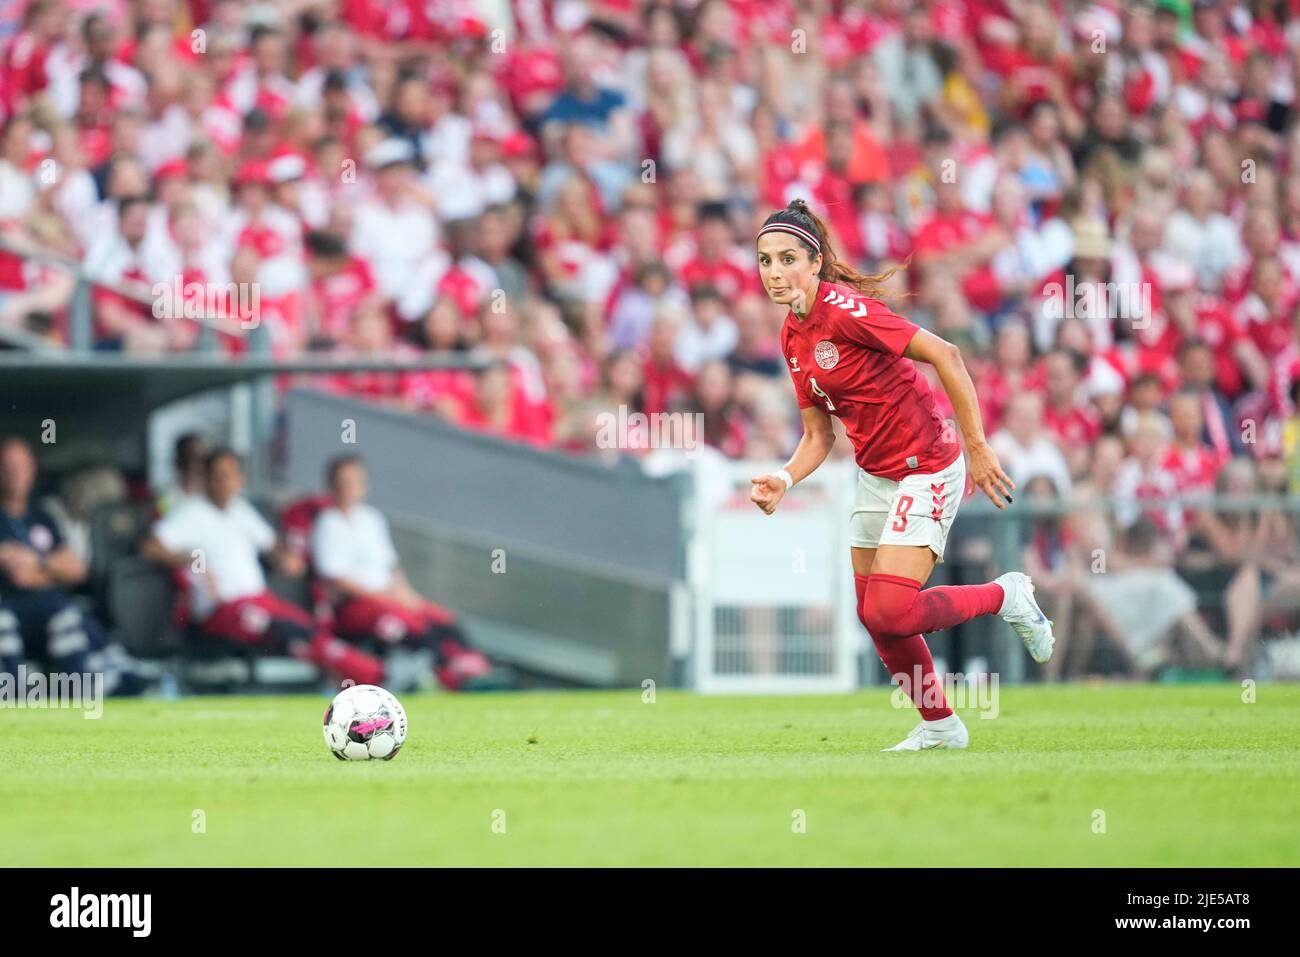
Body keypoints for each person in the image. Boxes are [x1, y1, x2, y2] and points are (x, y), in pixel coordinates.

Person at [748, 199, 1054, 752]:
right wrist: (784, 479)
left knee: (891, 609)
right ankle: (941, 726)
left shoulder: (845, 310)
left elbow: (948, 355)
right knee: (875, 615)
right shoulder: (792, 335)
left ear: (815, 262)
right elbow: (819, 436)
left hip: (927, 466)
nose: (774, 273)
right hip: (876, 474)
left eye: (787, 258)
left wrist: (978, 447)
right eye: (765, 261)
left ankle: (1005, 595)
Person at [141, 448, 384, 686]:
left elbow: (272, 544)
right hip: (222, 609)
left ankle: (353, 677)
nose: (226, 481)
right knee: (283, 629)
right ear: (207, 478)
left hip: (259, 599)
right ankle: (370, 674)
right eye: (220, 475)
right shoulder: (191, 512)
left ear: (241, 479)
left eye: (232, 474)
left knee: (305, 627)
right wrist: (195, 560)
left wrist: (286, 558)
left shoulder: (241, 510)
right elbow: (151, 547)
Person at [310, 455, 494, 691]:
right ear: (332, 486)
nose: (351, 488)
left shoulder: (371, 519)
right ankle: (446, 677)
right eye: (345, 482)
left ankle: (475, 669)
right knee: (412, 628)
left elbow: (391, 566)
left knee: (443, 620)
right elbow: (334, 578)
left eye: (356, 481)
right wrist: (385, 598)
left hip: (388, 598)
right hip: (355, 605)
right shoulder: (327, 523)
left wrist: (409, 596)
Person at [0, 437, 143, 695]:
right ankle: (12, 690)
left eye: (20, 467)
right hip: (10, 608)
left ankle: (85, 687)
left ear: (32, 469)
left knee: (66, 614)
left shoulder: (41, 516)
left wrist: (36, 562)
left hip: (49, 609)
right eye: (7, 467)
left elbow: (75, 570)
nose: (14, 475)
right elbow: (20, 577)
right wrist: (50, 570)